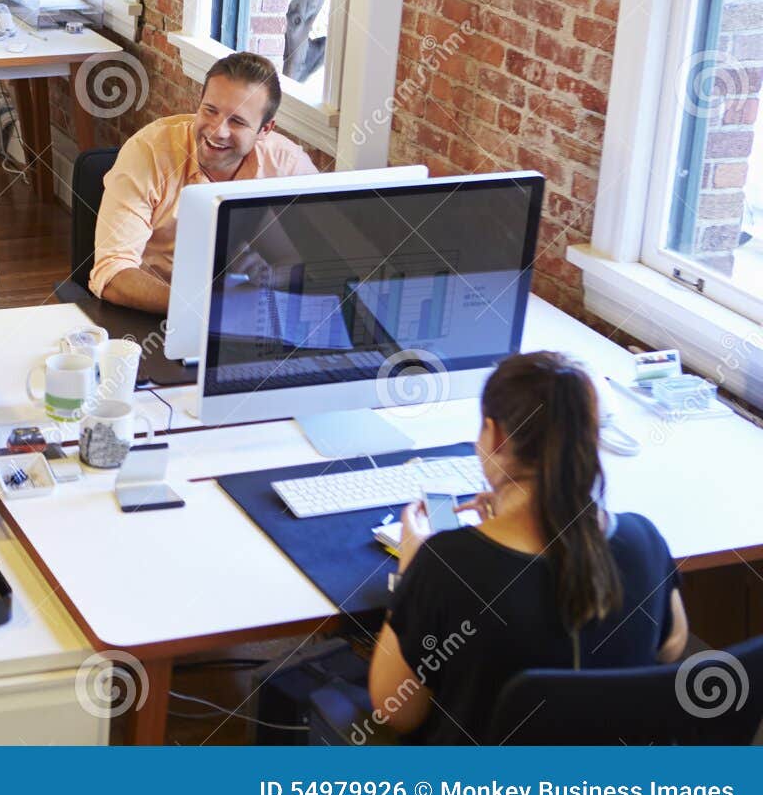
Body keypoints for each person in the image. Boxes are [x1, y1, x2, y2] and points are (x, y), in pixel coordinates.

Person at [369, 351, 689, 744]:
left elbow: (395, 711)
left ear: (495, 435)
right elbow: (671, 647)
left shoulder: (446, 566)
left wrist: (409, 571)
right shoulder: (643, 540)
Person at [88, 51, 317, 313]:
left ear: (265, 129)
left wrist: (272, 278)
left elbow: (325, 262)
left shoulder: (288, 166)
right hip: (150, 314)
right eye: (210, 110)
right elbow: (112, 273)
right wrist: (208, 308)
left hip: (244, 316)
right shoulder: (148, 151)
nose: (217, 131)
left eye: (238, 122)